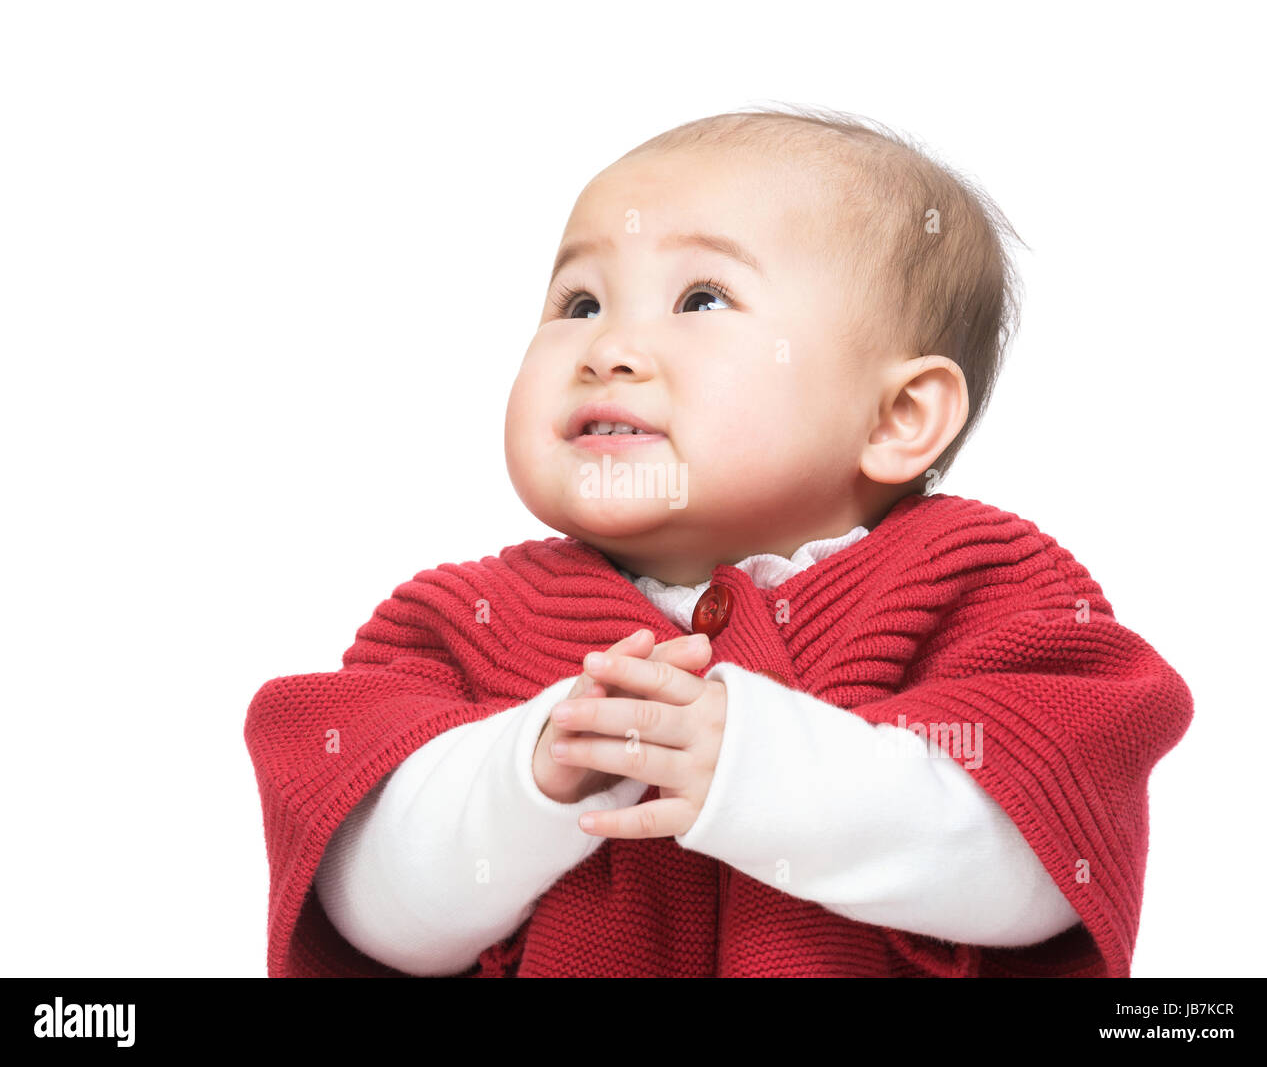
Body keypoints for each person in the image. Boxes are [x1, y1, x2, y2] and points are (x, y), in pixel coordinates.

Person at [244, 105, 1193, 977]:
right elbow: (360, 895)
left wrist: (762, 769)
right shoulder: (459, 621)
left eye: (700, 300)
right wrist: (521, 776)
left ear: (899, 415)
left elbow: (1048, 854)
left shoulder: (981, 586)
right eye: (579, 302)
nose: (607, 347)